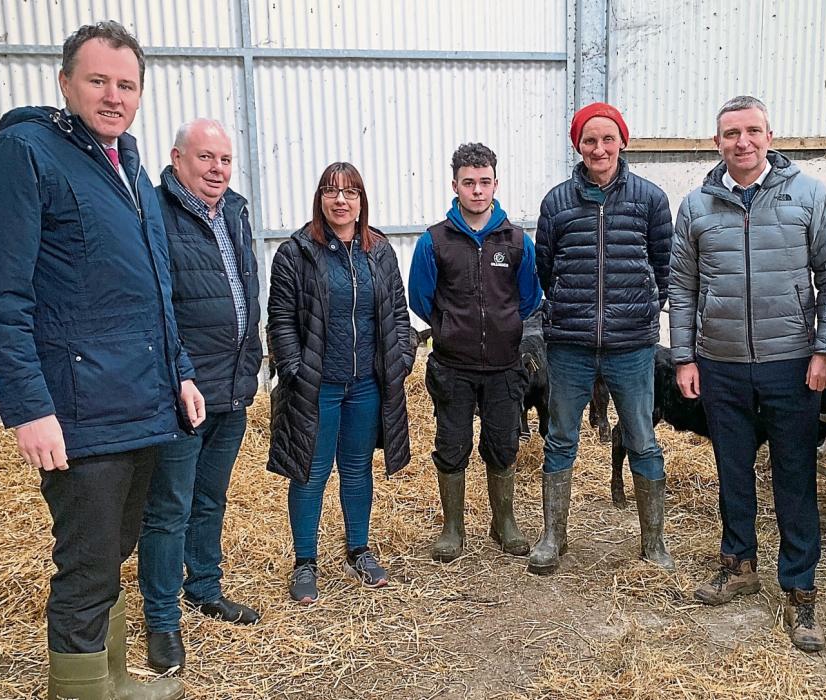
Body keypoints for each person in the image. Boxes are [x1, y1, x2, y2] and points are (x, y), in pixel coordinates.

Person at [0, 20, 195, 700]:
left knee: (114, 549)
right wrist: (29, 408)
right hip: (79, 409)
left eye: (127, 84)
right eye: (98, 80)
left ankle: (111, 680)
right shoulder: (24, 155)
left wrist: (180, 369)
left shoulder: (127, 166)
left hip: (141, 400)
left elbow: (155, 288)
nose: (113, 96)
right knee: (87, 565)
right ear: (65, 83)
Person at [669, 95, 826, 651]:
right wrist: (684, 356)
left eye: (752, 131)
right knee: (732, 468)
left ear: (770, 136)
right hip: (720, 363)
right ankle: (738, 562)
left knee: (795, 474)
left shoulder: (808, 195)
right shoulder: (697, 205)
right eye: (731, 133)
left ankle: (800, 587)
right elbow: (682, 286)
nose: (742, 142)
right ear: (717, 142)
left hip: (790, 363)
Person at [137, 119, 264, 673]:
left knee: (210, 498)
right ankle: (162, 620)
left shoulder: (234, 210)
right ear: (178, 158)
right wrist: (178, 374)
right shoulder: (156, 211)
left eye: (225, 159)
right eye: (206, 158)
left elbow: (246, 293)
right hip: (182, 392)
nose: (217, 169)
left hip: (231, 387)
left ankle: (205, 588)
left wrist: (251, 362)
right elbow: (156, 305)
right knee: (169, 508)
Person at [530, 102, 674, 575]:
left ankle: (653, 542)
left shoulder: (650, 200)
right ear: (578, 145)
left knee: (642, 439)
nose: (599, 148)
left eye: (608, 138)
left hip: (631, 346)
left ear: (622, 142)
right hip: (569, 345)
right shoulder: (556, 203)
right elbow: (546, 268)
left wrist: (642, 310)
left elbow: (664, 265)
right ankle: (553, 536)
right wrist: (569, 309)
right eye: (589, 140)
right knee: (560, 438)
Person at [267, 162, 416, 604]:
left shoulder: (379, 251)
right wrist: (295, 369)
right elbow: (280, 319)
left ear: (361, 201)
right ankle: (305, 562)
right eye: (331, 191)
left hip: (366, 384)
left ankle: (358, 551)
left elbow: (399, 312)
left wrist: (401, 360)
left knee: (356, 468)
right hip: (317, 385)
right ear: (320, 199)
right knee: (310, 472)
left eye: (350, 192)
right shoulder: (296, 253)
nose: (340, 200)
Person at [408, 142, 542, 562]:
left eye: (484, 182)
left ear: (496, 184)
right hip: (453, 366)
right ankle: (453, 528)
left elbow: (529, 298)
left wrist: (504, 327)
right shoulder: (434, 241)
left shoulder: (516, 241)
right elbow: (420, 298)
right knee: (452, 444)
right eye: (469, 183)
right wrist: (451, 327)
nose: (477, 190)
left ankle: (504, 522)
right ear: (455, 186)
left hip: (504, 365)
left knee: (503, 444)